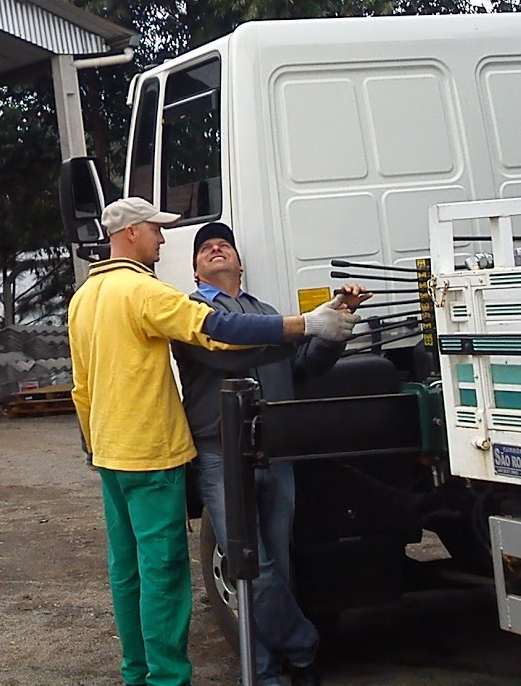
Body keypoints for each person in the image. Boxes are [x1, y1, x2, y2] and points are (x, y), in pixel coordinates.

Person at [68, 198, 360, 686]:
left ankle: (143, 674)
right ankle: (178, 677)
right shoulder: (147, 291)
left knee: (132, 571)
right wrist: (305, 324)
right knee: (167, 570)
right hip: (163, 450)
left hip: (117, 453)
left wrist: (94, 445)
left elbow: (81, 386)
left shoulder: (85, 297)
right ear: (133, 233)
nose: (163, 239)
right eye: (157, 231)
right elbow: (219, 337)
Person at [174, 223, 369, 686]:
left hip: (275, 452)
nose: (215, 248)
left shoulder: (267, 312)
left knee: (276, 564)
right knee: (251, 569)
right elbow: (229, 351)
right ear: (196, 269)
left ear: (240, 264)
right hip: (222, 454)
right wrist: (303, 326)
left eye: (224, 245)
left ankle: (267, 671)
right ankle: (302, 648)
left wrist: (334, 330)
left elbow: (305, 367)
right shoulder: (192, 313)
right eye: (205, 249)